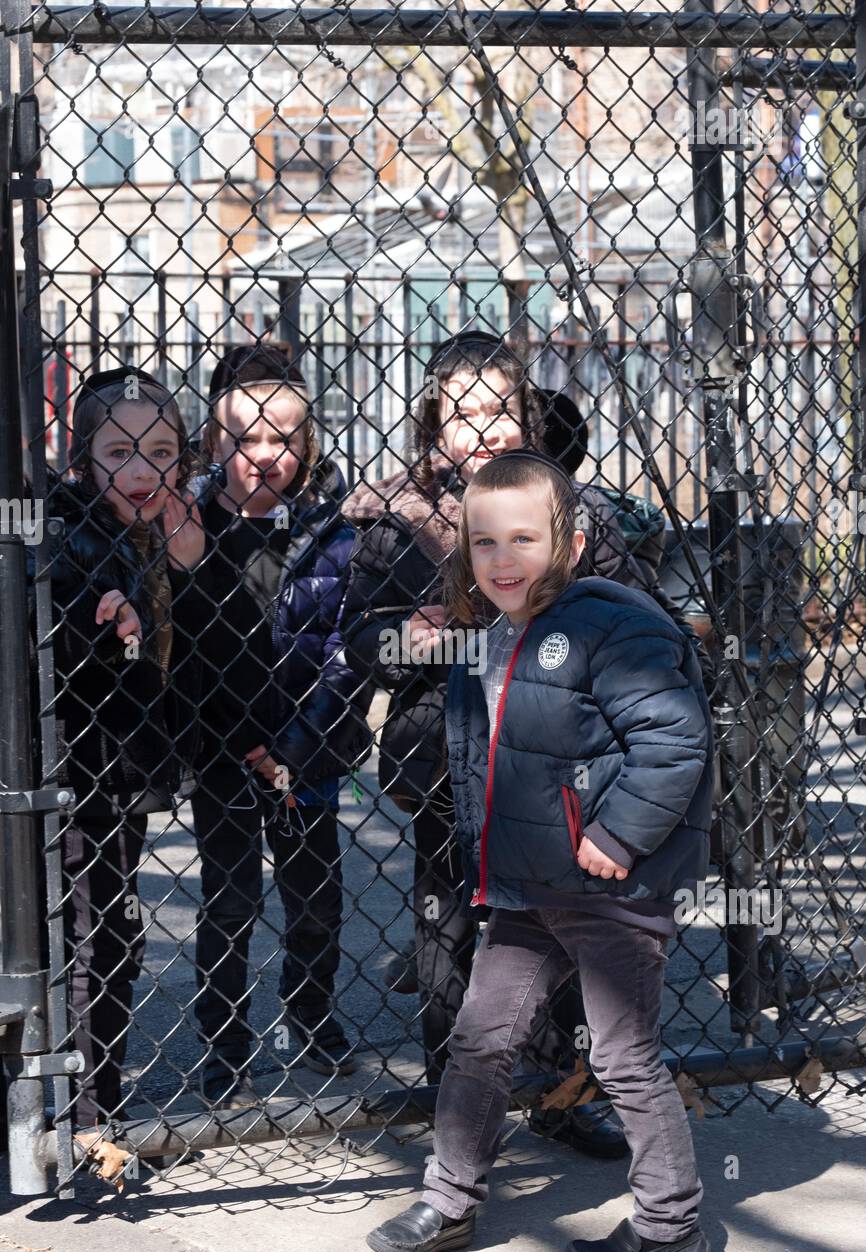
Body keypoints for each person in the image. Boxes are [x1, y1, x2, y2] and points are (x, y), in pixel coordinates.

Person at [341, 329, 701, 1156]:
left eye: (501, 410)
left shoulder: (574, 510)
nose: (484, 430)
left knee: (563, 936)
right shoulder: (396, 518)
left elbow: (631, 612)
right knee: (450, 930)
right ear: (435, 424)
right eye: (463, 414)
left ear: (529, 418)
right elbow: (358, 640)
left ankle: (560, 1094)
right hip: (447, 759)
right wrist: (410, 638)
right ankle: (457, 1112)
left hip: (560, 767)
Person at [366, 448, 714, 1252]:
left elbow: (674, 740)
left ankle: (672, 1226)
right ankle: (449, 1200)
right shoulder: (490, 639)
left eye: (526, 539)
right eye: (483, 543)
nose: (503, 559)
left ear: (575, 542)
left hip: (609, 887)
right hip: (525, 890)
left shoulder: (612, 623)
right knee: (480, 1042)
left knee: (624, 1055)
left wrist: (620, 836)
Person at [189, 345, 371, 1106]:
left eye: (284, 438)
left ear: (309, 442)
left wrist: (299, 745)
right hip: (224, 749)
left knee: (316, 897)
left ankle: (312, 1015)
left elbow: (344, 650)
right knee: (229, 899)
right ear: (215, 442)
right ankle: (225, 1047)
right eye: (247, 438)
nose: (266, 454)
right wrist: (235, 740)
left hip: (306, 746)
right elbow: (186, 650)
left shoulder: (333, 530)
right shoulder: (188, 524)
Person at [36, 365, 206, 1128]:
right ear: (82, 460)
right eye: (119, 452)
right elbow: (56, 621)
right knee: (87, 936)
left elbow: (210, 642)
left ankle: (94, 1100)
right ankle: (81, 1111)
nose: (143, 470)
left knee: (110, 933)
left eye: (162, 451)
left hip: (119, 775)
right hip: (74, 771)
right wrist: (99, 622)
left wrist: (187, 557)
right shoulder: (68, 528)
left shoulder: (162, 532)